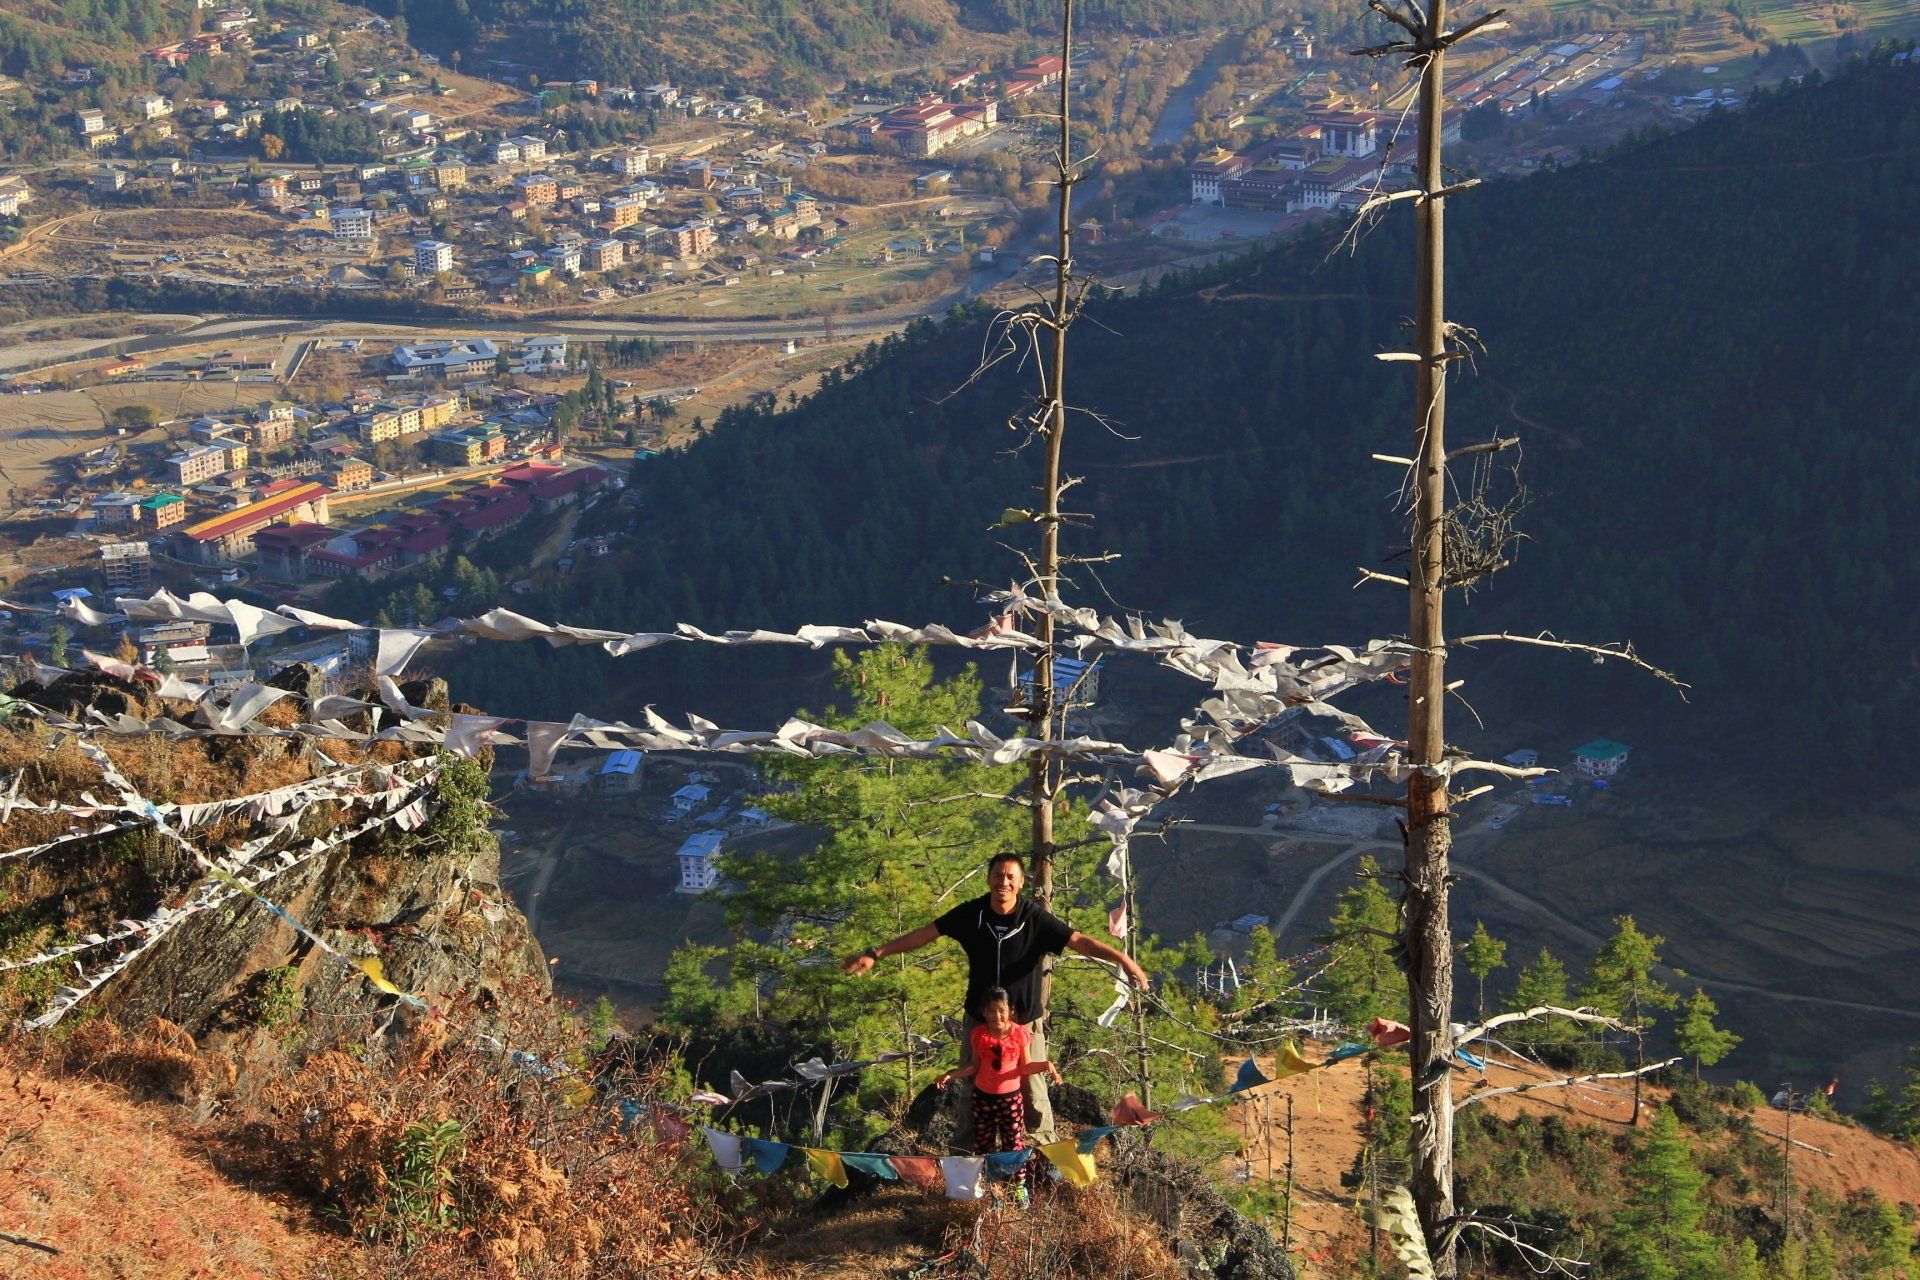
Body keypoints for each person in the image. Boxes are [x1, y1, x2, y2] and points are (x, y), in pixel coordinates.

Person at [843, 851, 1150, 1147]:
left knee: (1033, 1088)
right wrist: (876, 953)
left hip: (1024, 1022)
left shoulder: (1034, 919)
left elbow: (1080, 941)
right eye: (998, 875)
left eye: (1011, 877)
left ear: (1021, 882)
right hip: (981, 1022)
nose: (1004, 882)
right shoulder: (972, 914)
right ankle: (966, 1154)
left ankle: (1041, 1149)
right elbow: (925, 934)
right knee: (972, 1087)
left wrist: (1124, 960)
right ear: (989, 878)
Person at [937, 986, 1058, 1205]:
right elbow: (973, 1066)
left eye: (1002, 1010)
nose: (997, 1016)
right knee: (984, 1146)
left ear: (1010, 1010)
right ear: (984, 1012)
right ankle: (993, 1190)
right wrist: (950, 1075)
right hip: (983, 1098)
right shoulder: (979, 1034)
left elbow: (1026, 1066)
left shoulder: (1019, 1034)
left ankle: (1017, 1187)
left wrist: (1046, 1066)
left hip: (1010, 1100)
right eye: (992, 1011)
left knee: (1013, 1145)